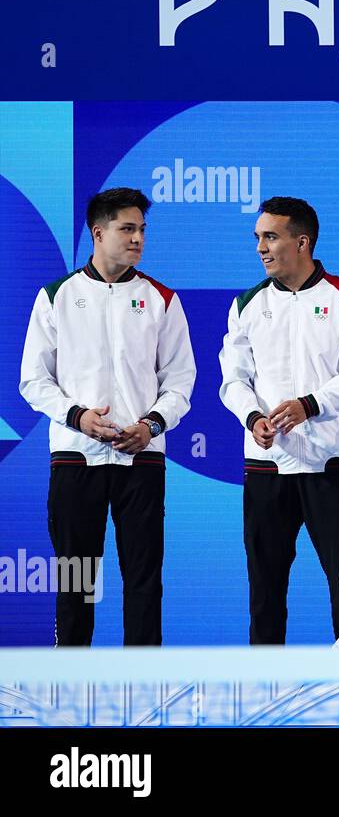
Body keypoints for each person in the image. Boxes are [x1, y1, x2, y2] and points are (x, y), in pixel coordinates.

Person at [19, 187, 196, 645]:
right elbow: (33, 381)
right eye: (127, 229)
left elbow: (180, 381)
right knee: (76, 584)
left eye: (142, 230)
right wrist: (77, 417)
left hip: (142, 460)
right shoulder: (56, 296)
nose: (138, 238)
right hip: (76, 460)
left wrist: (152, 424)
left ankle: (144, 691)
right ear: (98, 233)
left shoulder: (162, 299)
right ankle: (70, 690)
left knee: (144, 582)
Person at [219, 196, 339, 643]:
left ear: (302, 242)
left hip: (332, 471)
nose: (260, 248)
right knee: (265, 591)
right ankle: (265, 693)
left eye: (270, 237)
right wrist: (253, 418)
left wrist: (308, 405)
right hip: (266, 468)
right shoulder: (247, 304)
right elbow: (232, 380)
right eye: (257, 237)